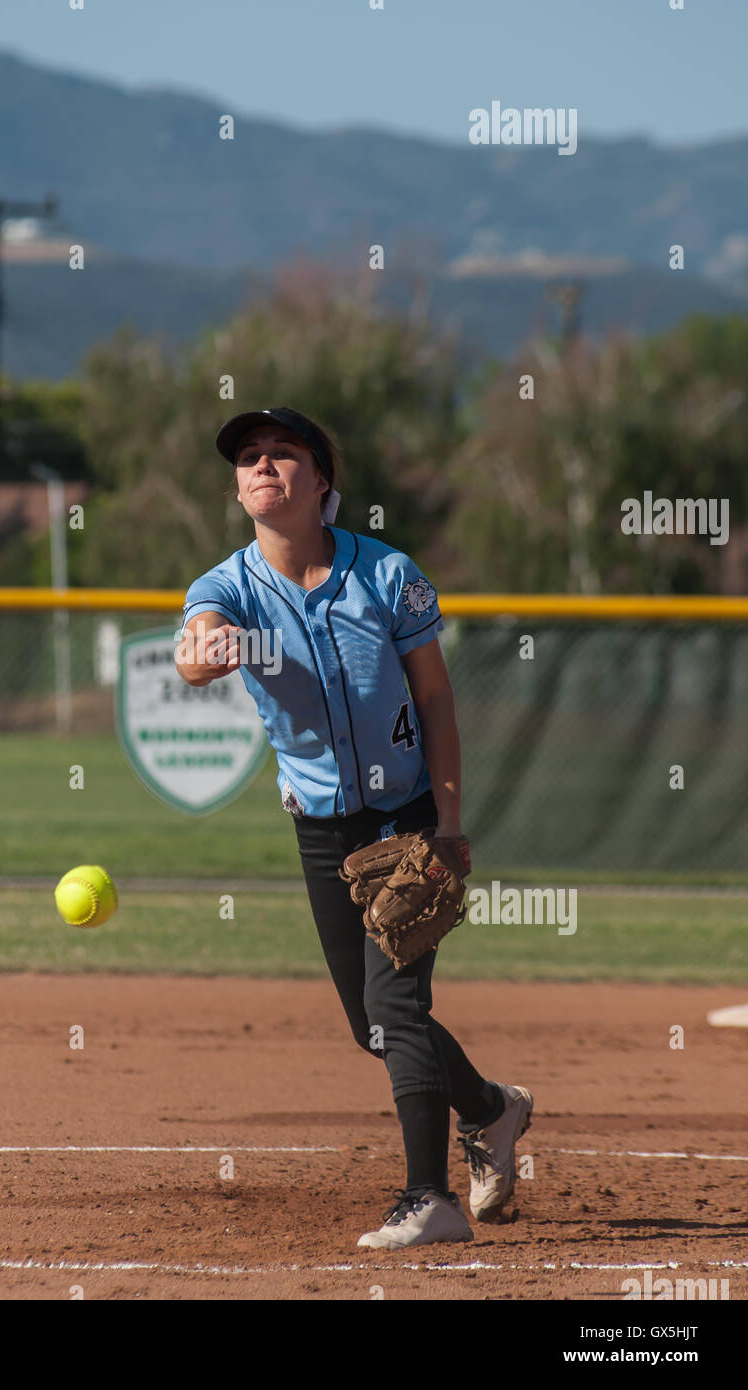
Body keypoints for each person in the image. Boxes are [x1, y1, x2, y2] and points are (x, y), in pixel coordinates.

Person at [174, 406, 533, 1249]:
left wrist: (447, 821)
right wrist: (206, 652)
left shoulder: (386, 573)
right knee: (372, 1026)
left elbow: (437, 700)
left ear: (321, 480)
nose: (264, 466)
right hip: (324, 833)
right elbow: (195, 643)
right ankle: (490, 1109)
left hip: (404, 815)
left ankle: (428, 1198)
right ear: (238, 486)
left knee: (395, 1002)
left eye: (283, 453)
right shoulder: (225, 585)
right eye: (249, 458)